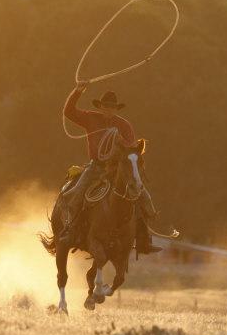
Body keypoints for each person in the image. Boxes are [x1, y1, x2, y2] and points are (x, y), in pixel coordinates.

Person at [60, 81, 158, 253]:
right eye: (105, 106)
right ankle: (71, 230)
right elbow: (68, 112)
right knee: (76, 193)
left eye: (112, 107)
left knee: (143, 197)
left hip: (117, 168)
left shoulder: (124, 125)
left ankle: (144, 239)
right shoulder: (90, 117)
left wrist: (122, 148)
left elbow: (131, 150)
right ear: (101, 107)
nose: (108, 110)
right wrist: (77, 92)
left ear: (116, 109)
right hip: (96, 166)